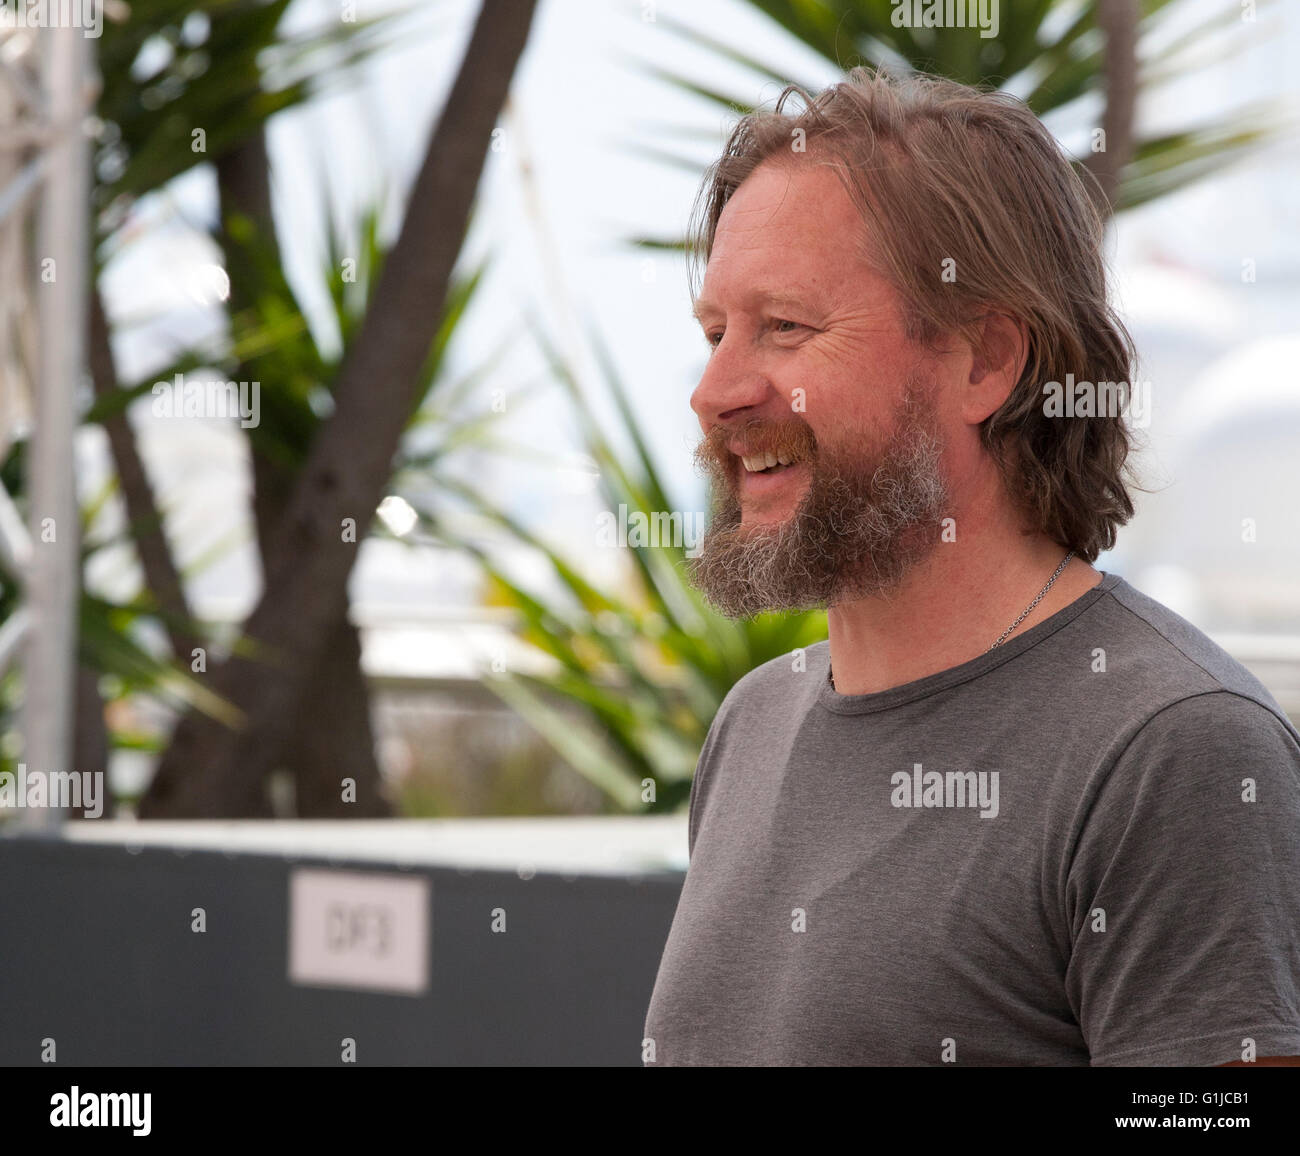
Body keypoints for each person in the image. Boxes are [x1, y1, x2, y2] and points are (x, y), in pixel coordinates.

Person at [642, 67, 1300, 1066]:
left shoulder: (1173, 754)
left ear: (985, 360)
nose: (714, 390)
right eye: (713, 332)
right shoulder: (753, 724)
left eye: (784, 327)